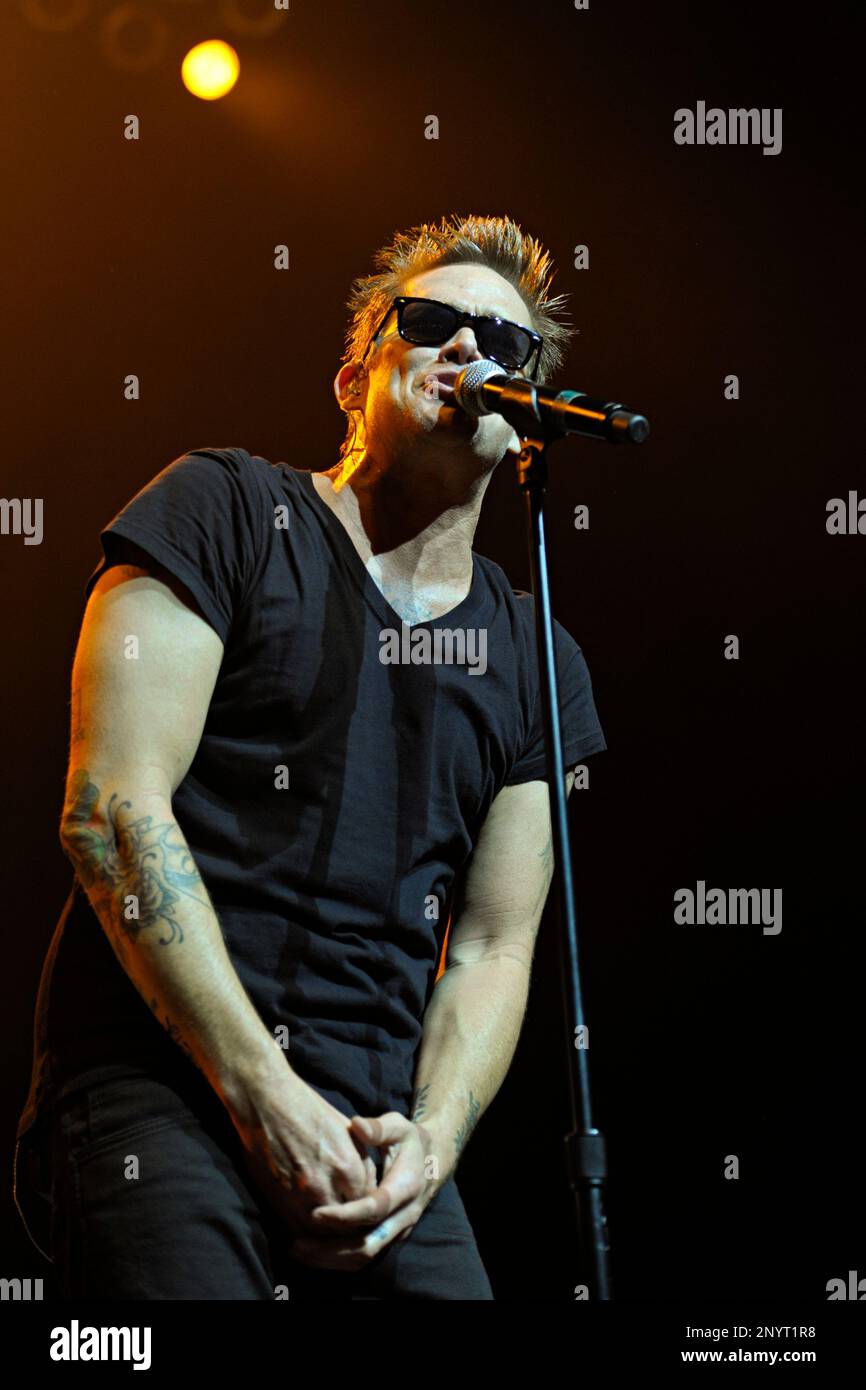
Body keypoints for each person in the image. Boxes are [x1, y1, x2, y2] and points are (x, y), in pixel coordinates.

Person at [13, 213, 607, 1300]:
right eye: (432, 323)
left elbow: (490, 951)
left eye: (506, 345)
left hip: (378, 1124)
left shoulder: (535, 654)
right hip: (165, 1081)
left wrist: (431, 1141)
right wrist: (260, 1092)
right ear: (352, 377)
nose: (471, 351)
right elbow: (110, 809)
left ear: (528, 418)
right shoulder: (222, 510)